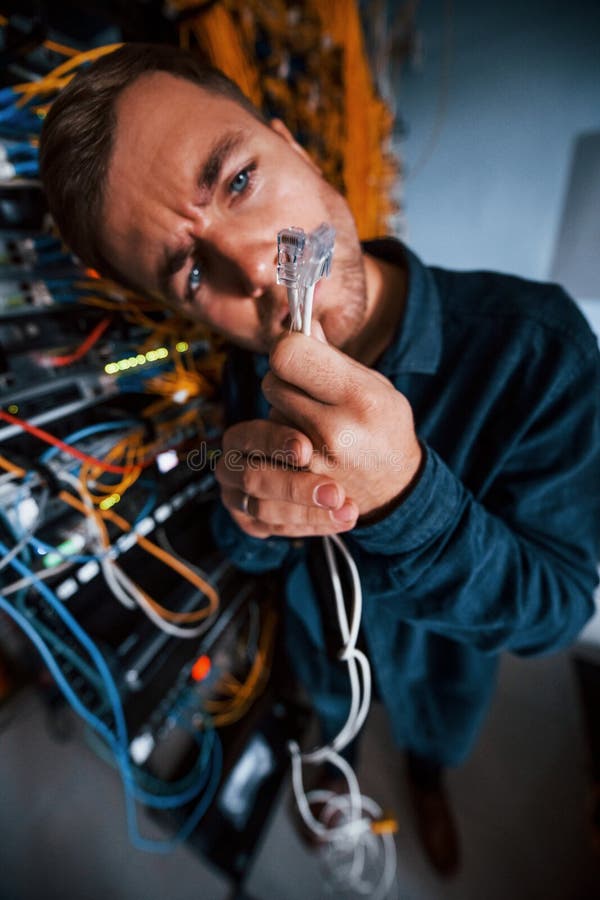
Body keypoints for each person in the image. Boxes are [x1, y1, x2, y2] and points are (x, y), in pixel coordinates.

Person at [39, 43, 600, 877]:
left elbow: (557, 609)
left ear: (293, 146)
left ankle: (428, 782)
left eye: (236, 181)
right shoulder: (241, 378)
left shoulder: (539, 349)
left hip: (446, 669)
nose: (260, 268)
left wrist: (406, 503)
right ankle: (338, 774)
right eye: (193, 270)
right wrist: (250, 512)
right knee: (331, 724)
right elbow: (249, 549)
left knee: (432, 736)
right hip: (321, 666)